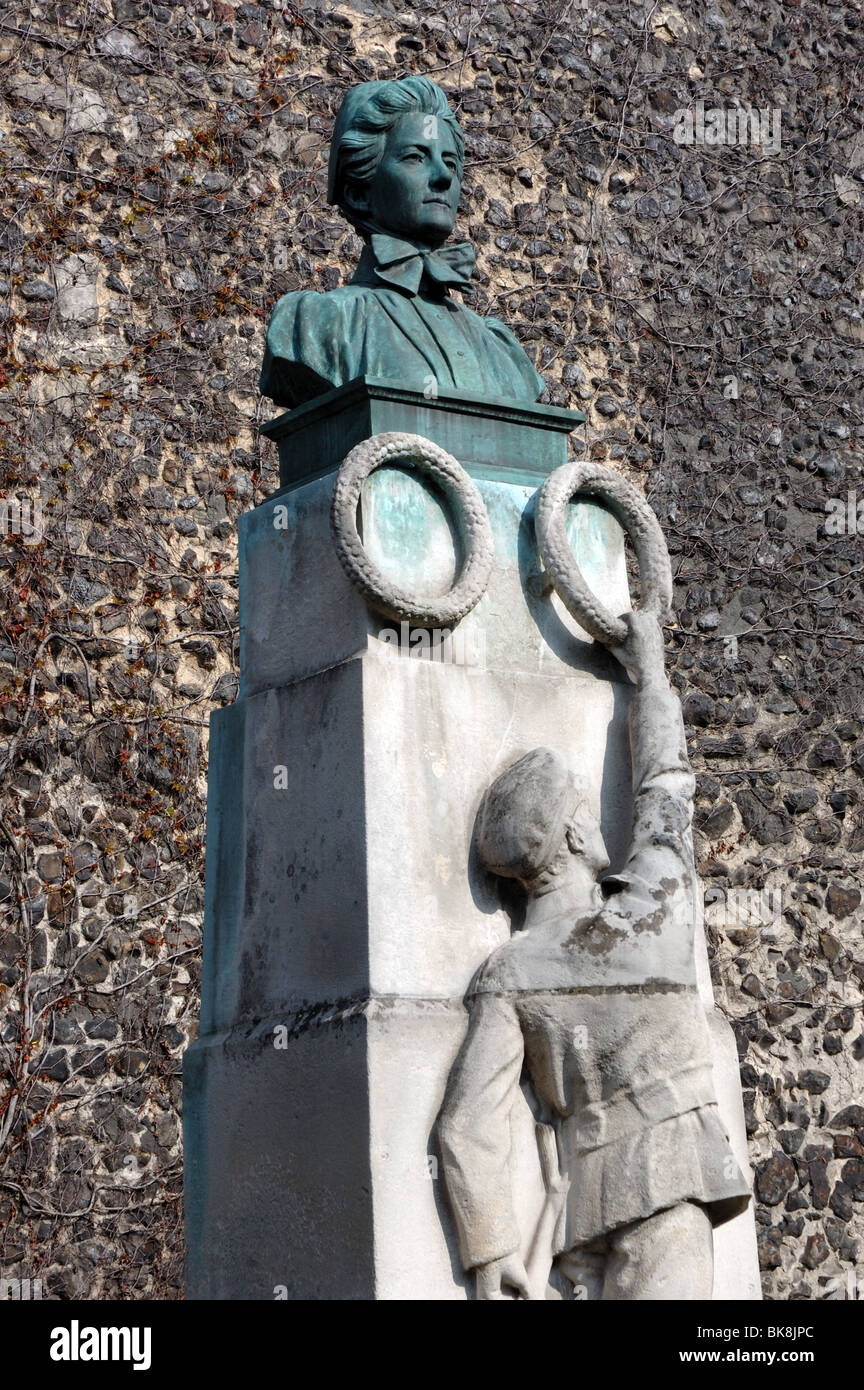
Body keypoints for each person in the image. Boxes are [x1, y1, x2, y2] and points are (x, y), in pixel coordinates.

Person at [438, 610, 751, 1300]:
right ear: (577, 834)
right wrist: (652, 678)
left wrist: (490, 1251)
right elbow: (666, 788)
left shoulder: (508, 972)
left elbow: (466, 1122)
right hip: (671, 1186)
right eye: (584, 805)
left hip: (579, 1220)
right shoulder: (651, 913)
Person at [260, 76, 545, 409]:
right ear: (358, 192)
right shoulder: (317, 325)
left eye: (450, 163)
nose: (444, 176)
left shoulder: (504, 353)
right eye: (415, 157)